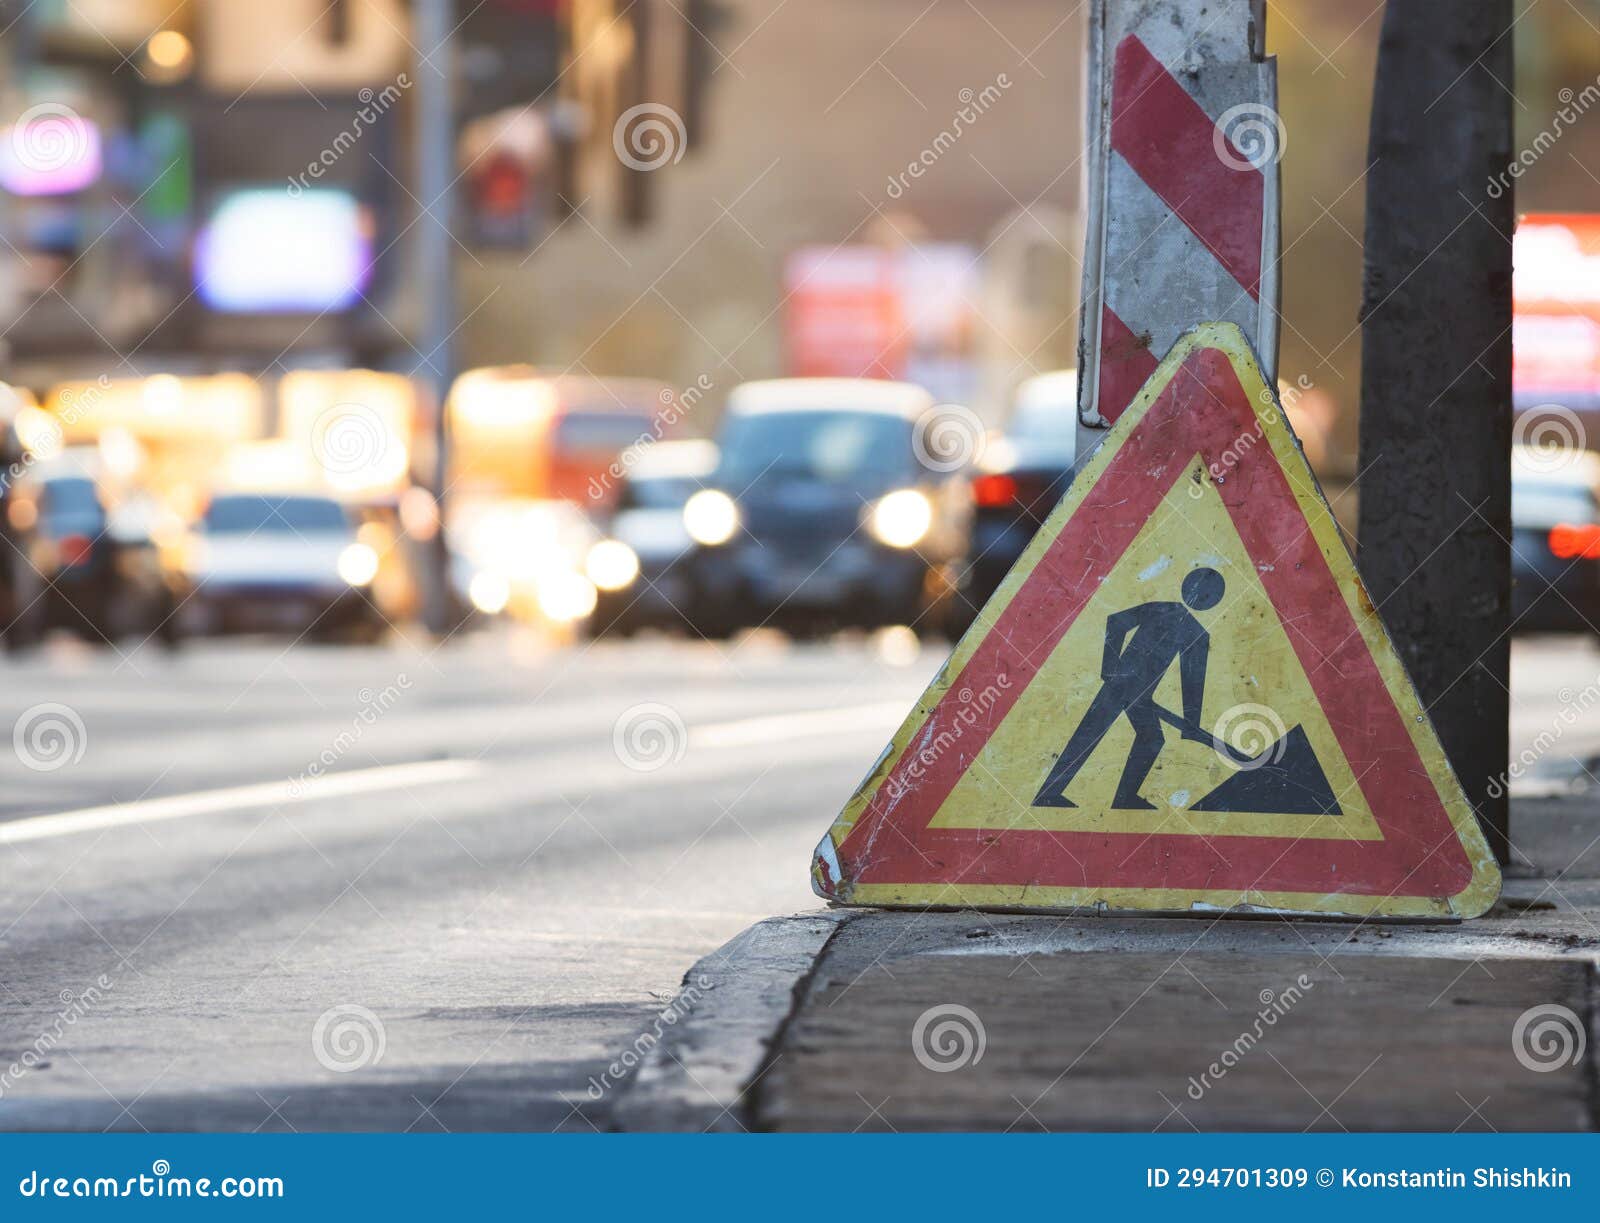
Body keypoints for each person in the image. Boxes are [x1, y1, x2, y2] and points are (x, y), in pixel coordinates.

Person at [1033, 567, 1225, 810]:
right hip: (1120, 683)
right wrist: (1110, 669)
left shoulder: (1195, 632)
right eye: (1204, 591)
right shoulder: (1164, 611)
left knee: (1150, 739)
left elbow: (1192, 682)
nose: (1204, 596)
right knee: (1091, 733)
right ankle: (1049, 794)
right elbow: (1116, 622)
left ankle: (1123, 798)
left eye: (1209, 594)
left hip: (1141, 695)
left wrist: (1191, 723)